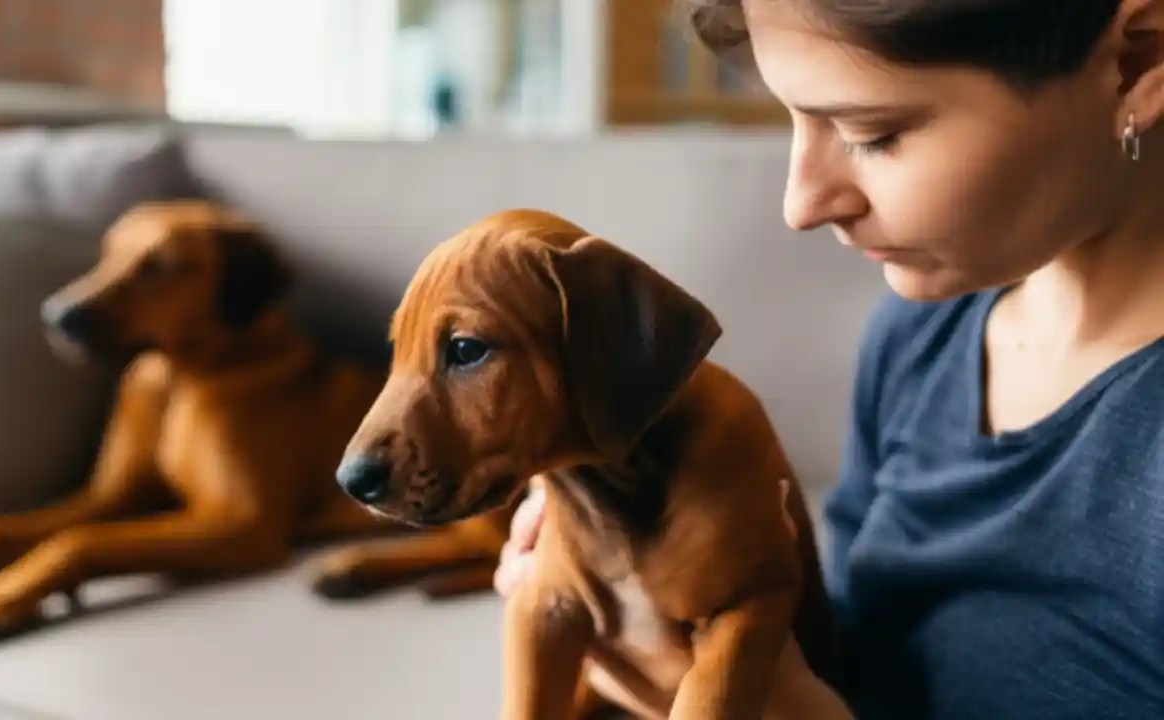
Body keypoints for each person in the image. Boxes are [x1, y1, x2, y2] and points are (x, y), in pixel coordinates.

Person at [492, 0, 1164, 718]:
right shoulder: (919, 338)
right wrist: (665, 620)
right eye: (791, 117)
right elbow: (851, 656)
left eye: (871, 133)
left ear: (1136, 63)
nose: (800, 203)